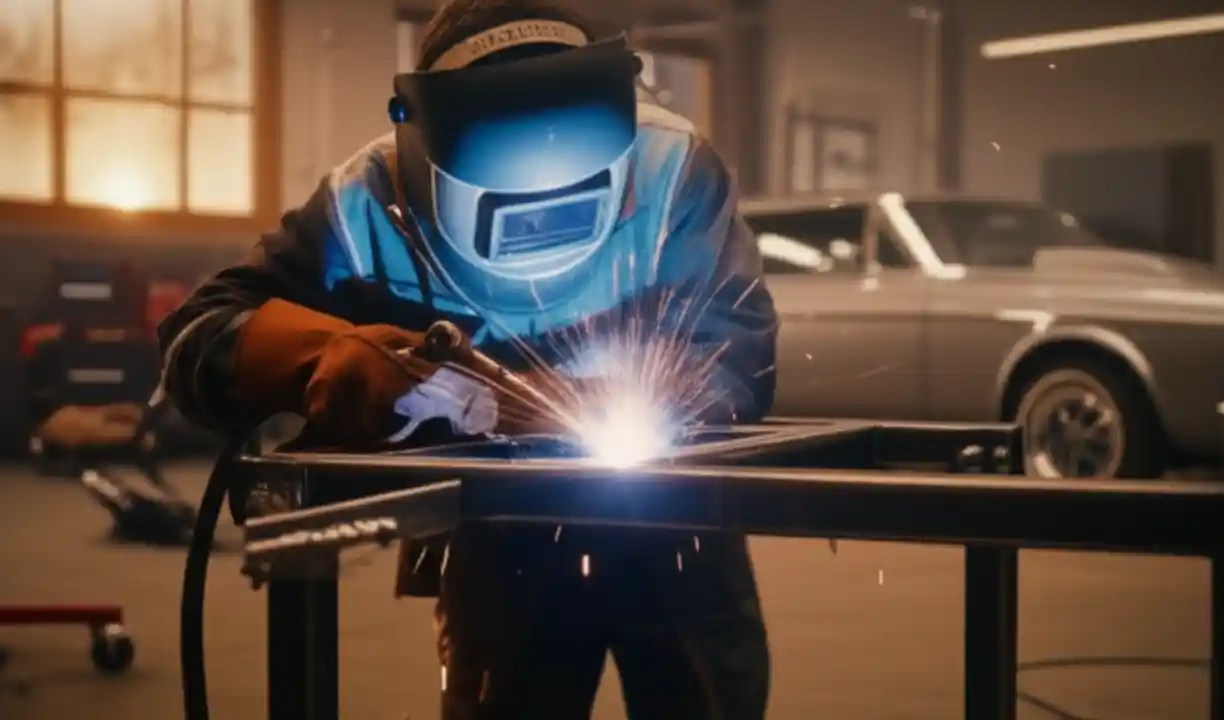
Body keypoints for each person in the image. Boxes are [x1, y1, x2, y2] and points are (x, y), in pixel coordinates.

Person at [158, 1, 777, 717]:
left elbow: (738, 350)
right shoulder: (368, 204)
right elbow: (194, 338)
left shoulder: (672, 168)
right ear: (426, 147)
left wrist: (663, 397)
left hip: (676, 524)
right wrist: (320, 356)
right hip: (498, 541)